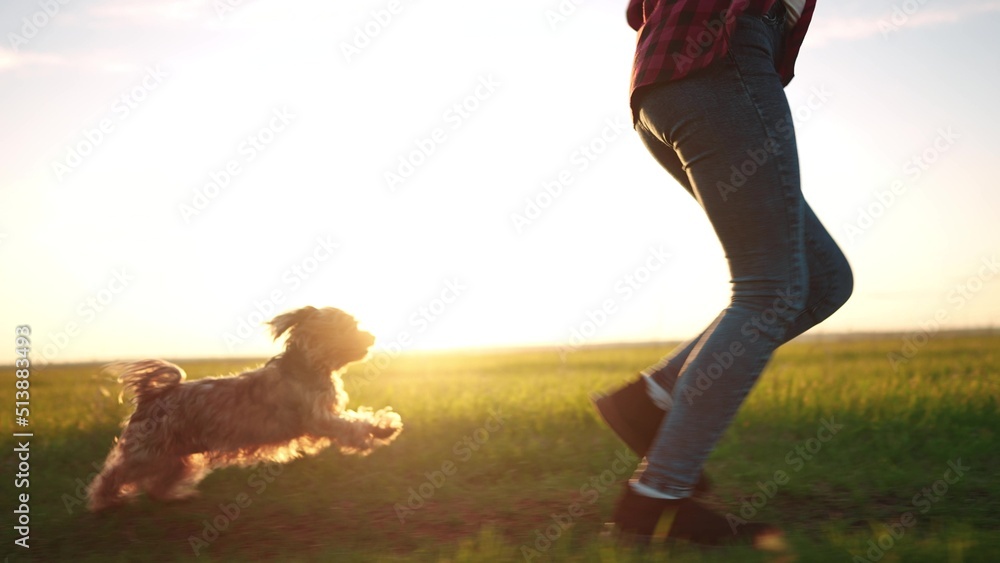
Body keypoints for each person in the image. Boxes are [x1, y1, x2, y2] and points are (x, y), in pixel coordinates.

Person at [592, 0, 853, 547]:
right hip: (722, 61)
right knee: (771, 290)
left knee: (823, 280)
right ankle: (657, 500)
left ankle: (649, 400)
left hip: (665, 82)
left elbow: (636, 10)